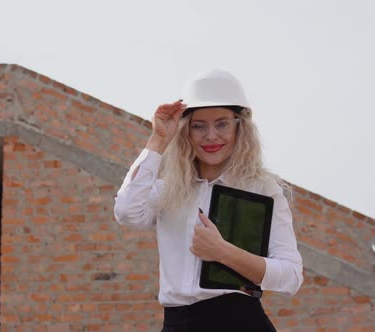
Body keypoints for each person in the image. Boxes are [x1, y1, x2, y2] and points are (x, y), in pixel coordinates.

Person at [114, 69, 303, 331]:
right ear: (185, 132)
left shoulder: (262, 188)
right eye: (199, 126)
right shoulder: (169, 188)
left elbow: (291, 277)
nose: (211, 136)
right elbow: (126, 212)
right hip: (177, 323)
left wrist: (223, 252)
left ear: (240, 127)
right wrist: (158, 140)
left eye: (222, 123)